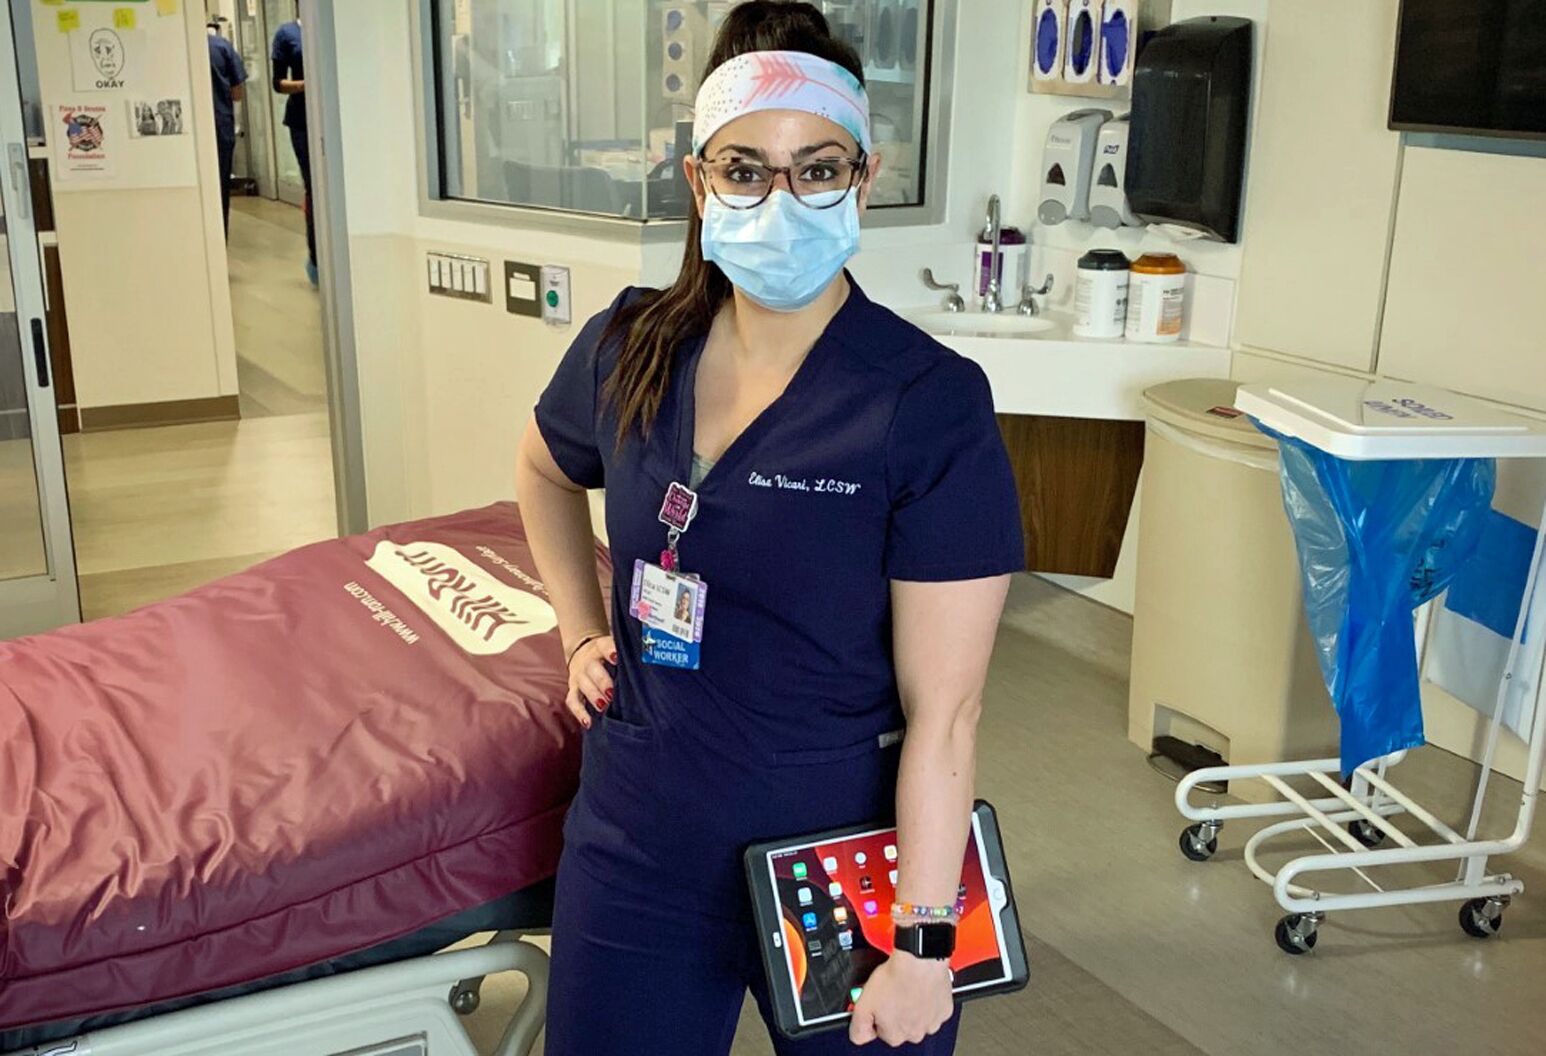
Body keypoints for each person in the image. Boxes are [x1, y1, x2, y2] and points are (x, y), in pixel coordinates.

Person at [514, 4, 1023, 1054]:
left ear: (863, 181)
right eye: (744, 170)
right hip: (641, 836)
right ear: (699, 183)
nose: (781, 201)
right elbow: (541, 469)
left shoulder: (925, 401)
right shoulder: (629, 344)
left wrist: (924, 944)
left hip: (842, 858)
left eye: (817, 170)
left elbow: (948, 715)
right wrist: (578, 631)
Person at [271, 18, 315, 286]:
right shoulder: (287, 33)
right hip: (302, 121)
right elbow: (278, 83)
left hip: (337, 119)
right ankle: (318, 258)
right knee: (314, 189)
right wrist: (307, 85)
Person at [207, 26, 246, 236]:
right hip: (221, 125)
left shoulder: (176, 47)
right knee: (220, 187)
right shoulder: (221, 47)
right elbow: (237, 91)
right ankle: (220, 240)